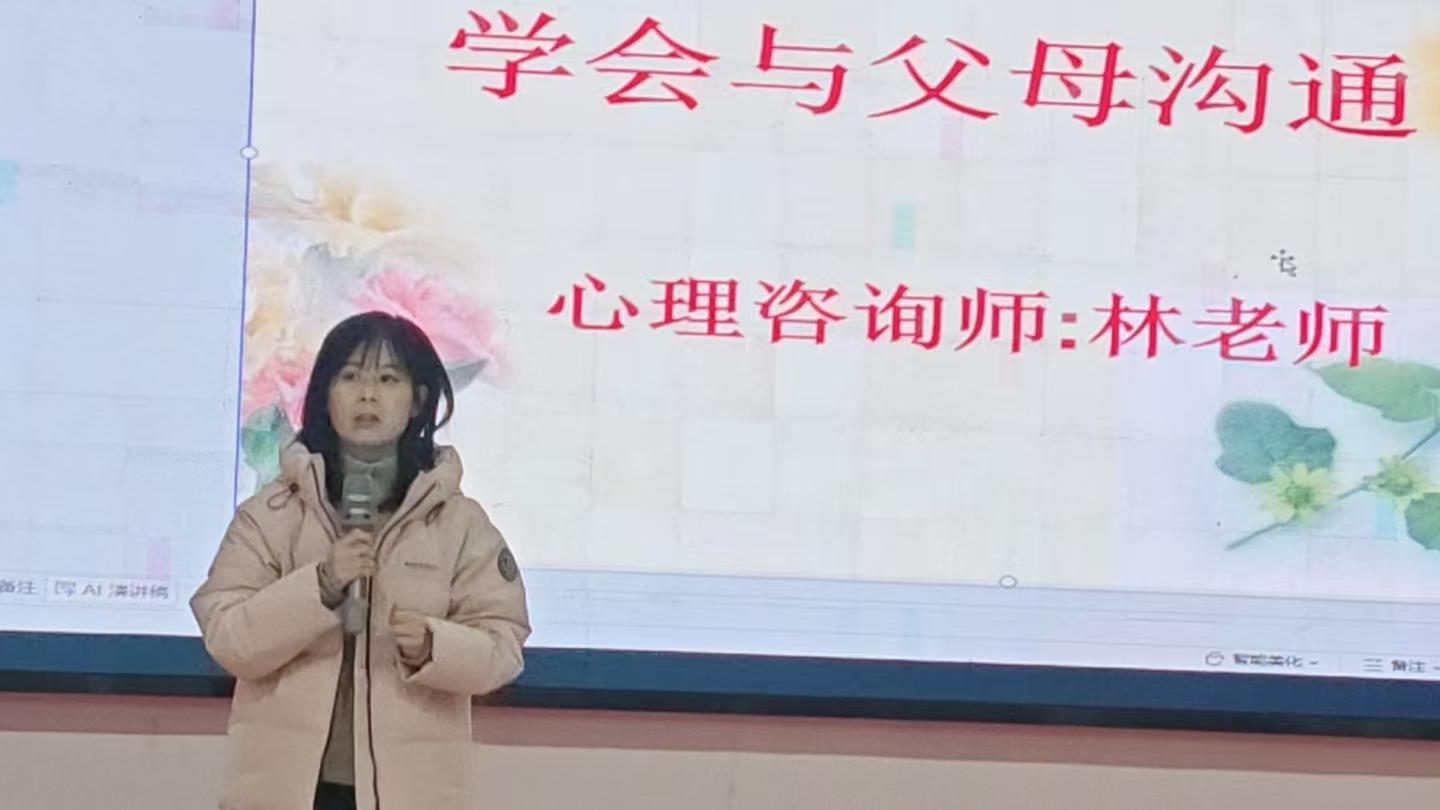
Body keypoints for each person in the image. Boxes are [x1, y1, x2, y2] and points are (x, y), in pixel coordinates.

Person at [192, 312, 530, 810]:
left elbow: (503, 647)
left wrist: (435, 647)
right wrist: (321, 586)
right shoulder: (272, 514)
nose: (368, 395)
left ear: (417, 401)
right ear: (325, 397)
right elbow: (226, 637)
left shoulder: (457, 523)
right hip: (284, 792)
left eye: (388, 380)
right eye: (350, 377)